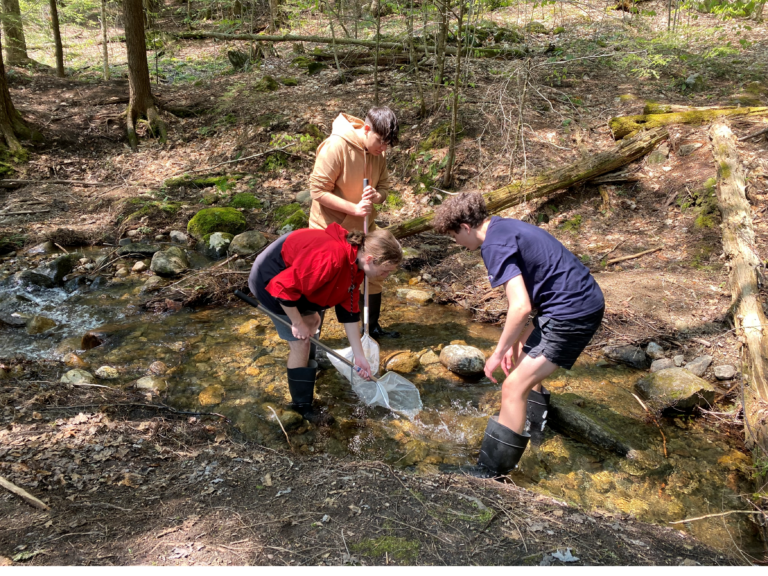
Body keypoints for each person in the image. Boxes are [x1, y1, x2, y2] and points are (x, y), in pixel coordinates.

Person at [433, 192, 605, 478]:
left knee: (511, 387)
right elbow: (541, 284)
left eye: (454, 236)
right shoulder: (505, 227)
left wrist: (497, 352)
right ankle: (534, 429)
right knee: (521, 356)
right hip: (573, 303)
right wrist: (517, 339)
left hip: (572, 314)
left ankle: (492, 473)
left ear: (465, 227)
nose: (457, 244)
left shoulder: (493, 245)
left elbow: (521, 305)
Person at [248, 222, 402, 425]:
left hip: (297, 281)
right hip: (271, 280)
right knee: (300, 341)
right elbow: (283, 288)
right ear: (370, 259)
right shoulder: (332, 259)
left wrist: (359, 356)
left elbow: (349, 310)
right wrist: (296, 322)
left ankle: (308, 367)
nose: (386, 276)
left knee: (312, 321)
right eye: (385, 271)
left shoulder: (356, 262)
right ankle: (301, 406)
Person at [308, 106, 401, 338]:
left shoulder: (379, 153)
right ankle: (312, 335)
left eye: (387, 144)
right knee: (325, 279)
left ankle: (371, 329)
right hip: (329, 228)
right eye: (380, 141)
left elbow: (384, 187)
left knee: (375, 273)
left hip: (363, 227)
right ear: (367, 129)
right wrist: (354, 208)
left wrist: (377, 197)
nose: (383, 148)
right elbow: (317, 191)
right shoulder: (336, 146)